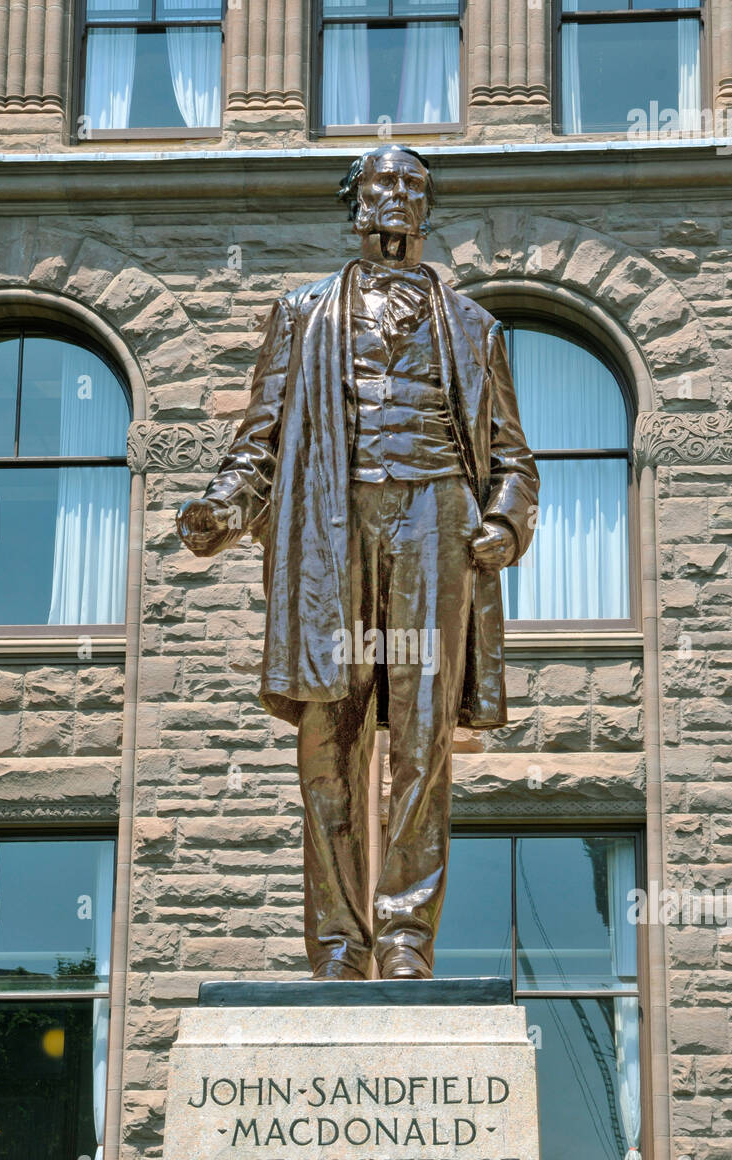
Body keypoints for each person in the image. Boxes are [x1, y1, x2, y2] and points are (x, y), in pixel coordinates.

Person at [177, 145, 539, 981]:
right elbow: (259, 439)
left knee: (421, 739)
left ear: (426, 207)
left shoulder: (474, 324)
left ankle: (406, 934)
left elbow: (514, 457)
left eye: (413, 186)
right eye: (382, 184)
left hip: (434, 519)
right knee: (328, 742)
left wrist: (504, 524)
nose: (398, 198)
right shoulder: (304, 311)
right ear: (354, 202)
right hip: (330, 532)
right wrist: (225, 508)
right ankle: (338, 945)